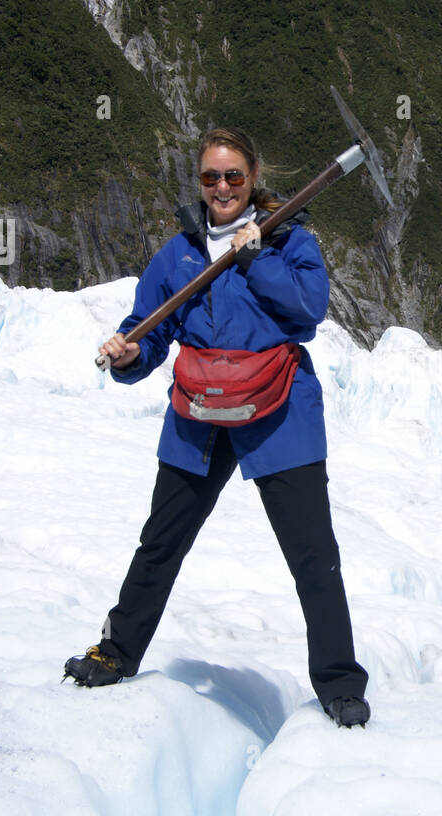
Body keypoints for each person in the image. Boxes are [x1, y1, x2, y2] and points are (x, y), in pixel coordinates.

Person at [62, 126, 370, 729]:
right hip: (199, 411)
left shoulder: (290, 241)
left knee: (313, 556)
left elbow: (308, 310)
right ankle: (117, 652)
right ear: (199, 184)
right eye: (210, 177)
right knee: (161, 542)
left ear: (253, 178)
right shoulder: (178, 253)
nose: (222, 187)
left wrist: (255, 257)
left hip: (280, 411)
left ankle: (339, 683)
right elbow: (149, 328)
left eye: (233, 176)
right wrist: (130, 355)